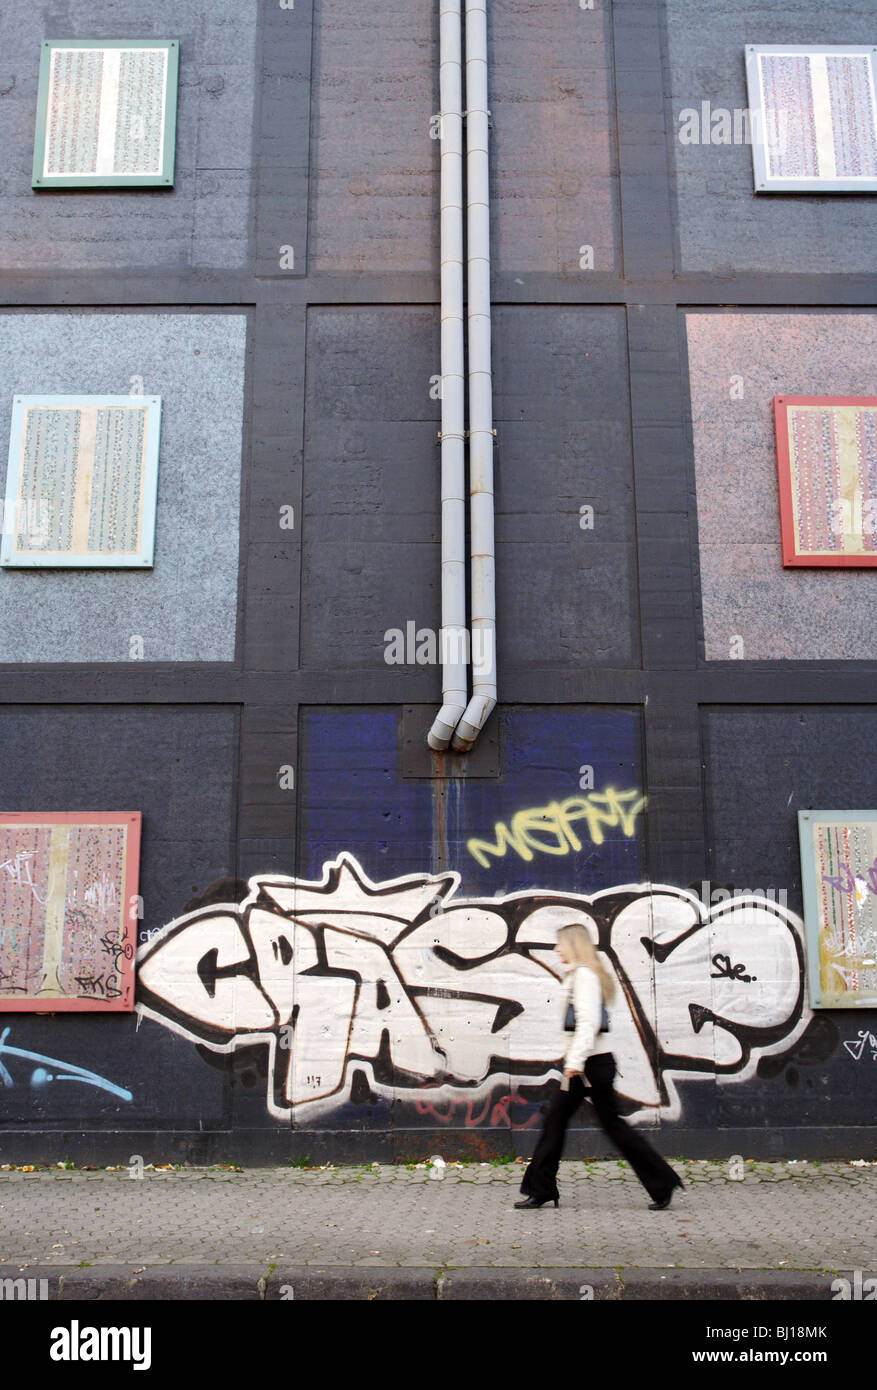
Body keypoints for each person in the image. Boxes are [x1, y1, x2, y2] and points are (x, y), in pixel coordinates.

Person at [515, 922, 684, 1211]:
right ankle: (542, 1188)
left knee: (607, 1126)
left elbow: (589, 1023)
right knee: (559, 1122)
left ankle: (661, 1182)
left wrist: (574, 1064)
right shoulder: (579, 975)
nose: (556, 950)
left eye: (560, 944)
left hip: (589, 1066)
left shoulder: (584, 976)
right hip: (586, 1065)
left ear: (573, 945)